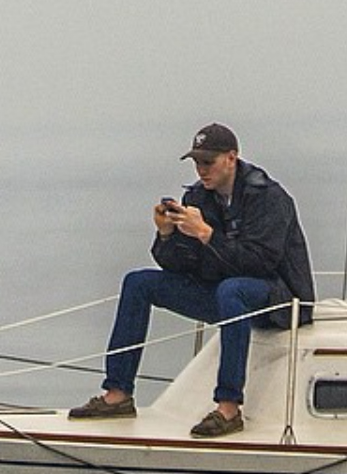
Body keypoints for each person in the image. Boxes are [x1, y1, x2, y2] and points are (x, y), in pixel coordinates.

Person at [69, 123, 314, 438]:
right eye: (197, 162)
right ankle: (117, 394)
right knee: (138, 282)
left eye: (208, 162)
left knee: (232, 290)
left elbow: (261, 263)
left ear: (231, 158)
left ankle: (228, 407)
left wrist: (207, 234)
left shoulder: (268, 197)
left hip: (280, 300)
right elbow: (183, 266)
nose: (202, 170)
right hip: (227, 295)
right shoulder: (198, 196)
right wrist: (167, 235)